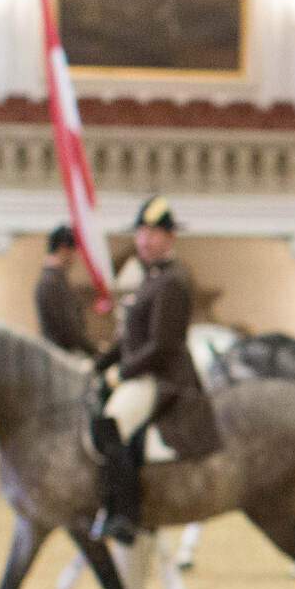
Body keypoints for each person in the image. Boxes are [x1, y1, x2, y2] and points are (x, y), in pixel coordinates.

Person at [92, 197, 220, 545]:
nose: (144, 240)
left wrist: (122, 373)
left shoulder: (174, 279)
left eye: (152, 233)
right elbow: (130, 337)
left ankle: (125, 514)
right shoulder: (152, 277)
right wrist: (98, 364)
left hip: (162, 378)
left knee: (110, 423)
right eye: (140, 233)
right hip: (144, 371)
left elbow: (162, 345)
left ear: (170, 237)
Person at [33, 225, 96, 358]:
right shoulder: (51, 282)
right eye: (75, 250)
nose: (77, 257)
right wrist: (97, 353)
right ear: (63, 248)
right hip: (59, 358)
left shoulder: (56, 279)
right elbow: (69, 330)